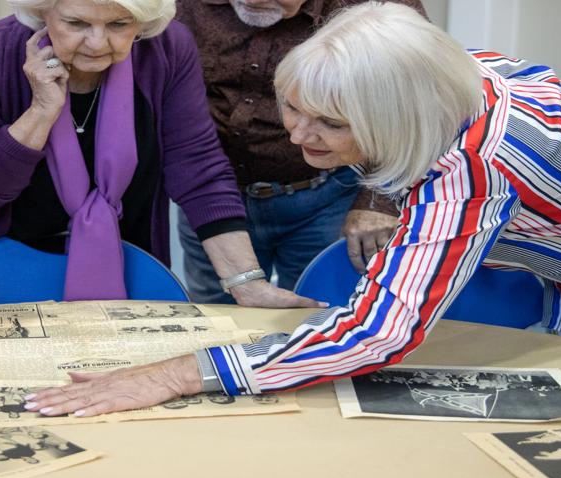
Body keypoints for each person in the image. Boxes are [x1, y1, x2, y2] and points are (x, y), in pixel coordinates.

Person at [23, 2, 561, 418]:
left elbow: (377, 334)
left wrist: (171, 376)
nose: (298, 136)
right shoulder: (458, 77)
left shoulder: (473, 167)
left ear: (396, 120)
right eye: (294, 107)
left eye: (331, 123)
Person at [0, 0, 316, 309]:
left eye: (119, 24)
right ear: (42, 12)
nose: (98, 43)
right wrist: (40, 114)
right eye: (77, 23)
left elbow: (198, 168)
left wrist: (247, 282)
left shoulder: (167, 50)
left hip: (124, 263)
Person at [172, 0, 426, 300]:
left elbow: (412, 109)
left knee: (323, 308)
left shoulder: (380, 8)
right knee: (219, 316)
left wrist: (378, 201)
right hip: (211, 197)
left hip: (326, 200)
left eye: (330, 122)